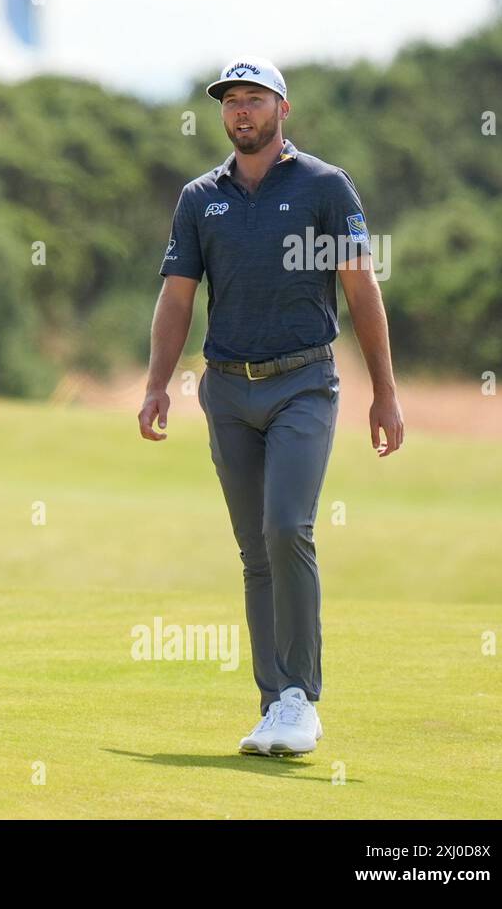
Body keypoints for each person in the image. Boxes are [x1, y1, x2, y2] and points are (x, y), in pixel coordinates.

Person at [138, 56, 404, 754]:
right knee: (255, 550)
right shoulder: (202, 198)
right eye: (231, 102)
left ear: (283, 110)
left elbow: (361, 290)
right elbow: (176, 296)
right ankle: (272, 702)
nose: (241, 112)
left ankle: (300, 698)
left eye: (254, 100)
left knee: (288, 528)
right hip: (226, 388)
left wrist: (385, 392)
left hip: (303, 383)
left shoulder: (324, 187)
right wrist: (156, 383)